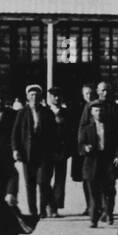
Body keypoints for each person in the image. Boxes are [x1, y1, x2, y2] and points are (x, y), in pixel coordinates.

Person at [78, 89, 118, 226]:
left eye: (101, 110)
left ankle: (109, 214)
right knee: (94, 191)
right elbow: (80, 144)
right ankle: (93, 219)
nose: (99, 113)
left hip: (108, 161)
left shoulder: (111, 127)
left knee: (109, 190)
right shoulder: (86, 128)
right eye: (96, 110)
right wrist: (85, 148)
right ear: (91, 113)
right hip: (92, 161)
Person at [11, 84, 60, 219]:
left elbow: (54, 134)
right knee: (30, 183)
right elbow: (15, 134)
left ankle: (43, 208)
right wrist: (15, 150)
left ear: (41, 97)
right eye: (31, 95)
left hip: (44, 154)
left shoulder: (47, 112)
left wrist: (55, 150)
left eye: (37, 95)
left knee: (43, 181)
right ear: (27, 97)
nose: (34, 97)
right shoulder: (22, 113)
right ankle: (33, 211)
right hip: (27, 154)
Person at [46, 87, 75, 215]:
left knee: (60, 180)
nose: (56, 98)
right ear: (50, 97)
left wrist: (67, 150)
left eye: (58, 96)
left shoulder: (67, 113)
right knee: (45, 179)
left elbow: (70, 132)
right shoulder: (45, 112)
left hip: (62, 151)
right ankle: (46, 204)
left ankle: (55, 207)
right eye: (54, 96)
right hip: (47, 152)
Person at [70, 84, 95, 216]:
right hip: (82, 149)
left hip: (97, 149)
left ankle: (97, 205)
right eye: (86, 94)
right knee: (86, 178)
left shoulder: (98, 107)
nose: (89, 96)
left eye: (91, 93)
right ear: (82, 95)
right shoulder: (78, 109)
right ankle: (89, 205)